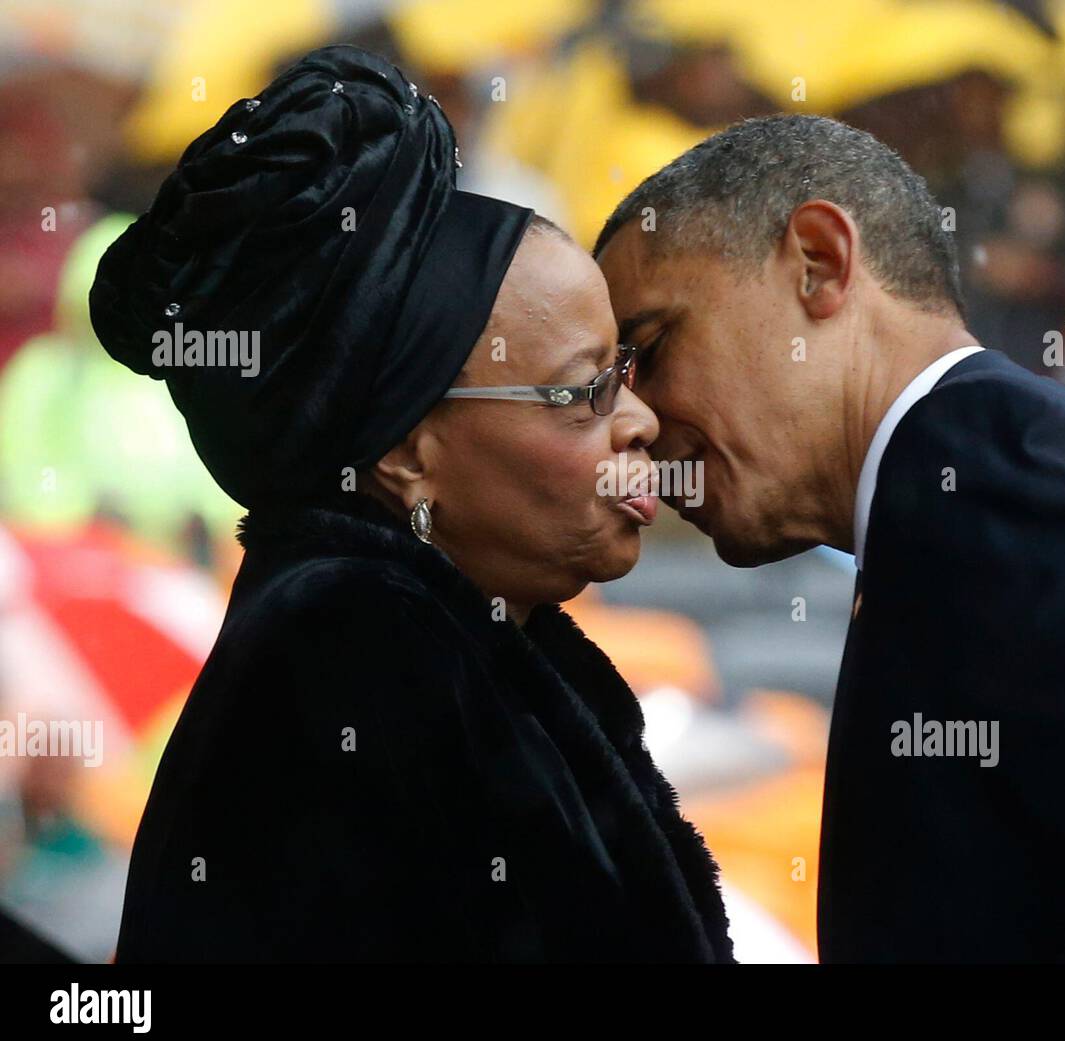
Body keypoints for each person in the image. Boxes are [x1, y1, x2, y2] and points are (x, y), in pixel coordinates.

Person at [90, 45, 732, 963]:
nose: (639, 419)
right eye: (581, 389)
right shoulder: (362, 651)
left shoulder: (435, 629)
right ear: (406, 452)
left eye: (623, 370)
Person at [594, 113, 1065, 963]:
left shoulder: (989, 475)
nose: (637, 420)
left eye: (650, 350)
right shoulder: (980, 471)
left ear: (819, 261)